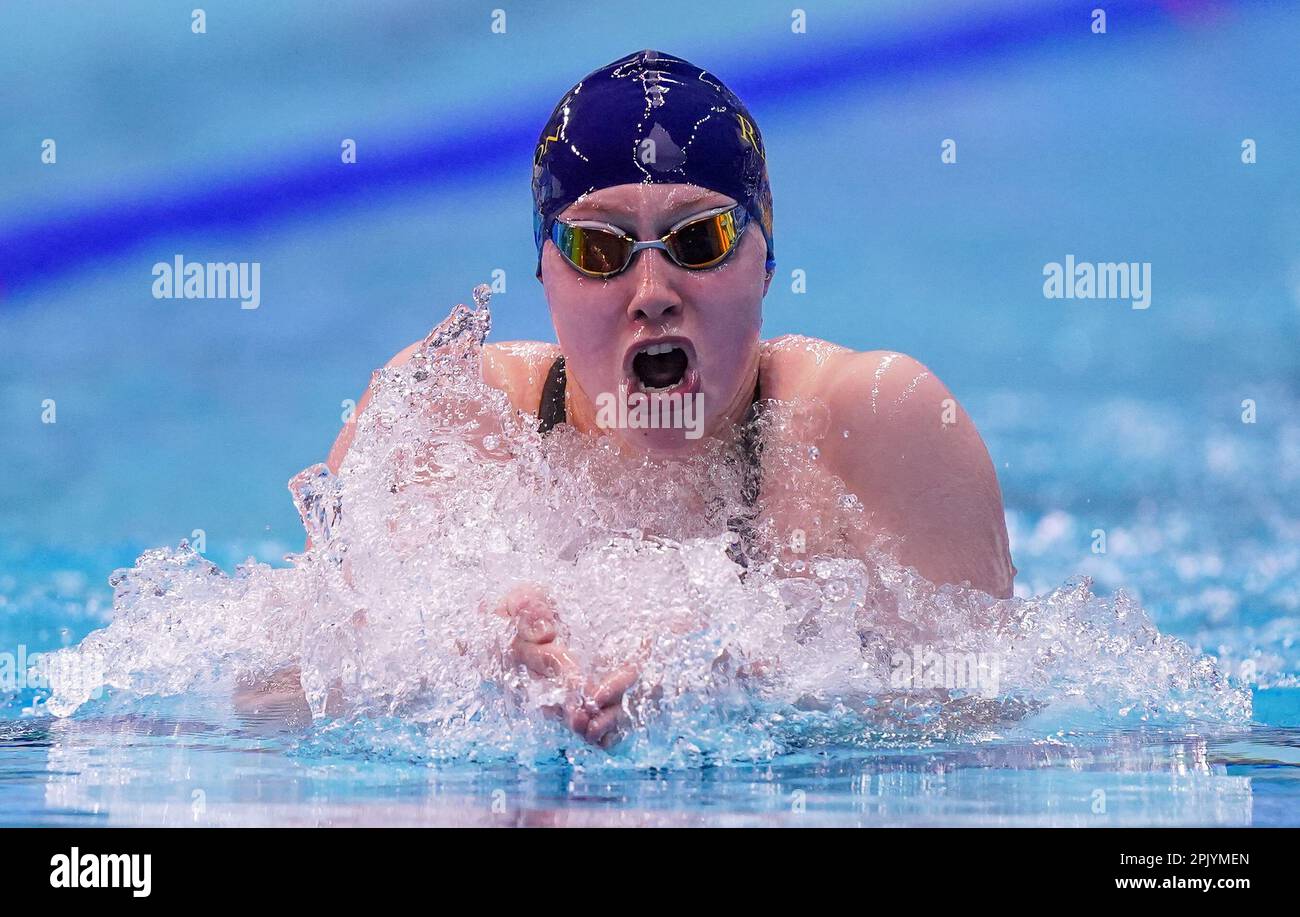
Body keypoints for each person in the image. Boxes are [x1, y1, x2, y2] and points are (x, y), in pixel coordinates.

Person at [320, 50, 1015, 748]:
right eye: (598, 248)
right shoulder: (441, 416)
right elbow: (265, 698)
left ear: (765, 262)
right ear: (544, 273)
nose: (652, 293)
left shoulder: (876, 422)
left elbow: (988, 723)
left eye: (700, 240)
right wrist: (453, 659)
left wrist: (756, 689)